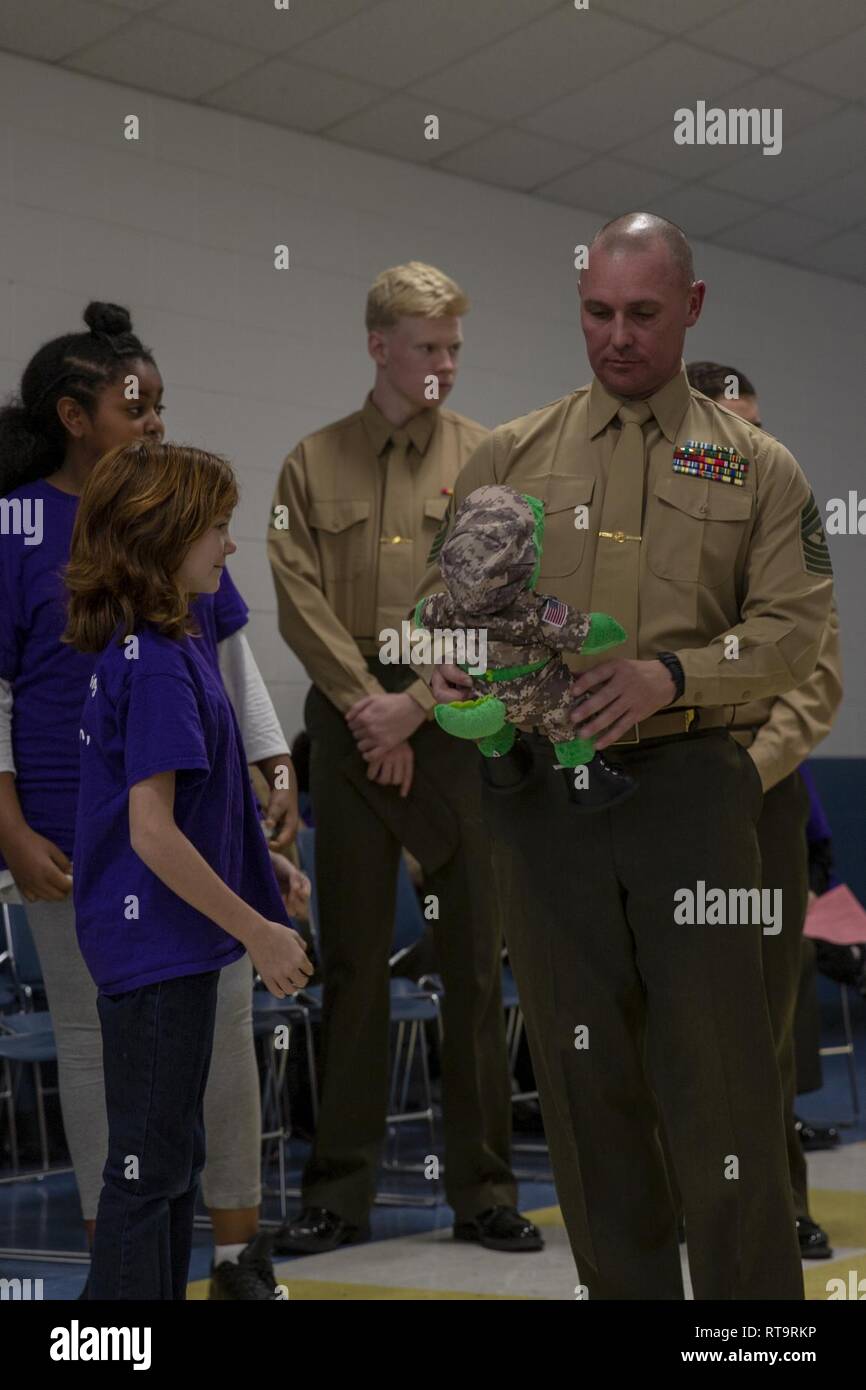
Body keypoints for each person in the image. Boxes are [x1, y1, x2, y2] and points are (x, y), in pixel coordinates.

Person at [421, 214, 834, 1300]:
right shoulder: (515, 453)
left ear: (689, 308)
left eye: (641, 315)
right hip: (541, 795)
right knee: (581, 1074)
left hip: (688, 792)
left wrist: (675, 675)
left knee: (722, 1081)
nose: (615, 337)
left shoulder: (750, 464)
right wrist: (450, 662)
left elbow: (792, 629)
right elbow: (442, 600)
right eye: (596, 313)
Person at [0, 303, 306, 1298]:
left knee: (168, 1117)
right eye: (138, 404)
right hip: (120, 871)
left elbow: (230, 667)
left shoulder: (161, 619)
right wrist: (8, 823)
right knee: (133, 1122)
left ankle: (213, 1262)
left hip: (175, 875)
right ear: (74, 415)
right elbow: (146, 819)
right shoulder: (63, 565)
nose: (156, 420)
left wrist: (273, 787)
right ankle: (117, 1301)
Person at [267, 262, 541, 1255]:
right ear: (378, 344)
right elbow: (297, 601)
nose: (444, 366)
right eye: (427, 347)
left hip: (456, 717)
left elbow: (498, 599)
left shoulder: (487, 460)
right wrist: (365, 710)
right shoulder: (312, 461)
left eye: (454, 348)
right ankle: (338, 1192)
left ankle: (481, 1193)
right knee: (349, 966)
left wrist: (414, 702)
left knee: (469, 962)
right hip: (348, 721)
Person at [64, 438, 312, 1299]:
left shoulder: (161, 647)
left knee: (166, 1161)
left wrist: (262, 873)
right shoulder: (163, 664)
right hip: (159, 951)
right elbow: (153, 834)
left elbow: (202, 809)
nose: (229, 546)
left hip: (168, 947)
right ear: (167, 537)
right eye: (217, 528)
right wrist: (259, 932)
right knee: (146, 1172)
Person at [686, 360, 843, 1258]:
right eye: (729, 427)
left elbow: (819, 681)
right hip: (651, 798)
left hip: (761, 798)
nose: (747, 445)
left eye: (757, 424)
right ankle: (683, 1194)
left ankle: (780, 1200)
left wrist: (745, 775)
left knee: (766, 1015)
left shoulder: (787, 520)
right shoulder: (643, 533)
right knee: (662, 1013)